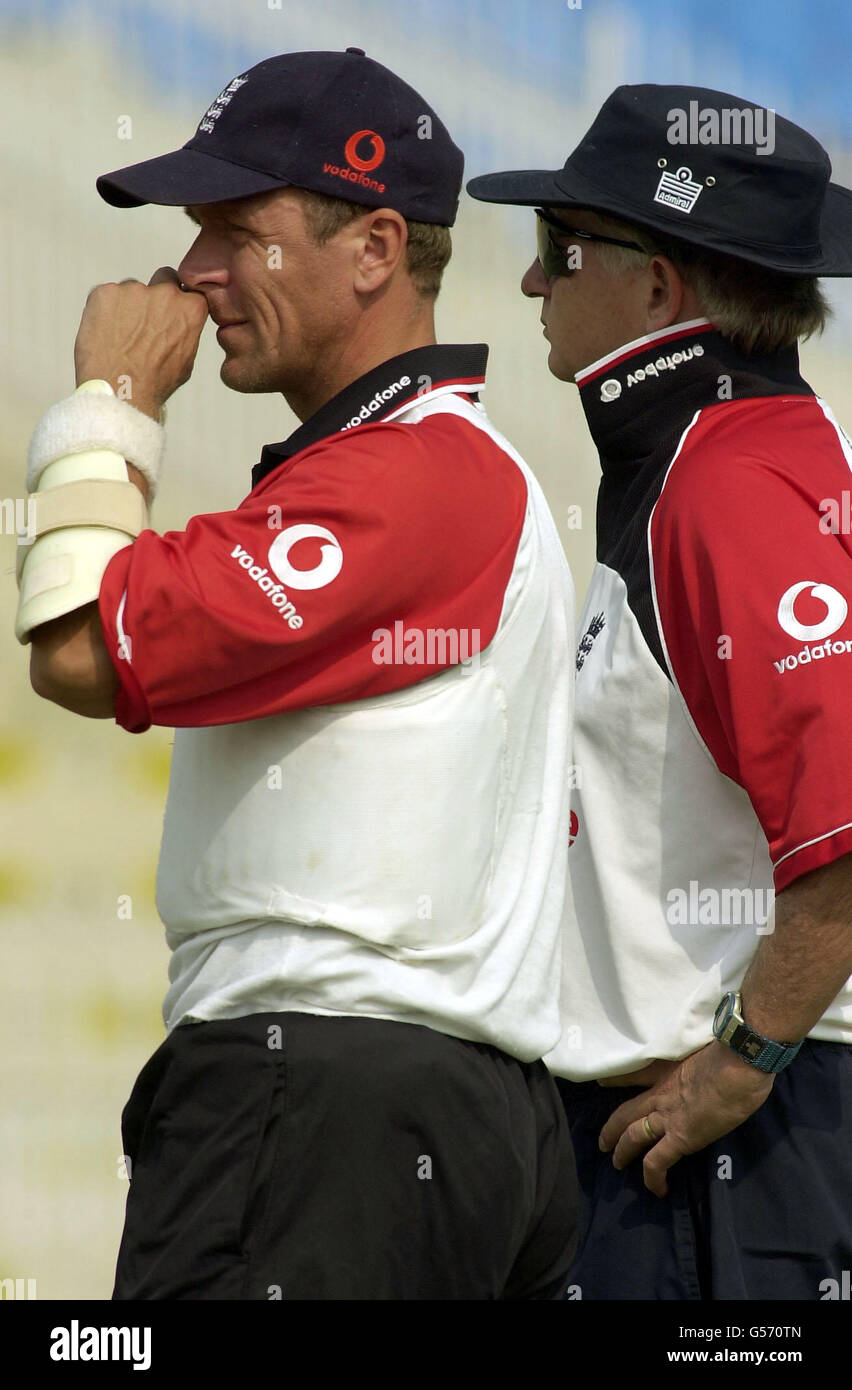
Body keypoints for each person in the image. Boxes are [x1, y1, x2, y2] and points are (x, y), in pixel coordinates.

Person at [17, 48, 578, 1300]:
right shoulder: (432, 471)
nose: (196, 268)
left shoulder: (418, 472)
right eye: (193, 228)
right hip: (401, 1111)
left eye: (237, 227)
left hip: (326, 1105)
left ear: (376, 248)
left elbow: (75, 648)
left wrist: (111, 400)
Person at [467, 82, 852, 1300]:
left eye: (555, 248)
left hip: (741, 1146)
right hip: (718, 1146)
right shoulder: (738, 458)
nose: (533, 283)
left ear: (657, 288)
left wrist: (744, 1058)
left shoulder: (730, 484)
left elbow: (845, 814)